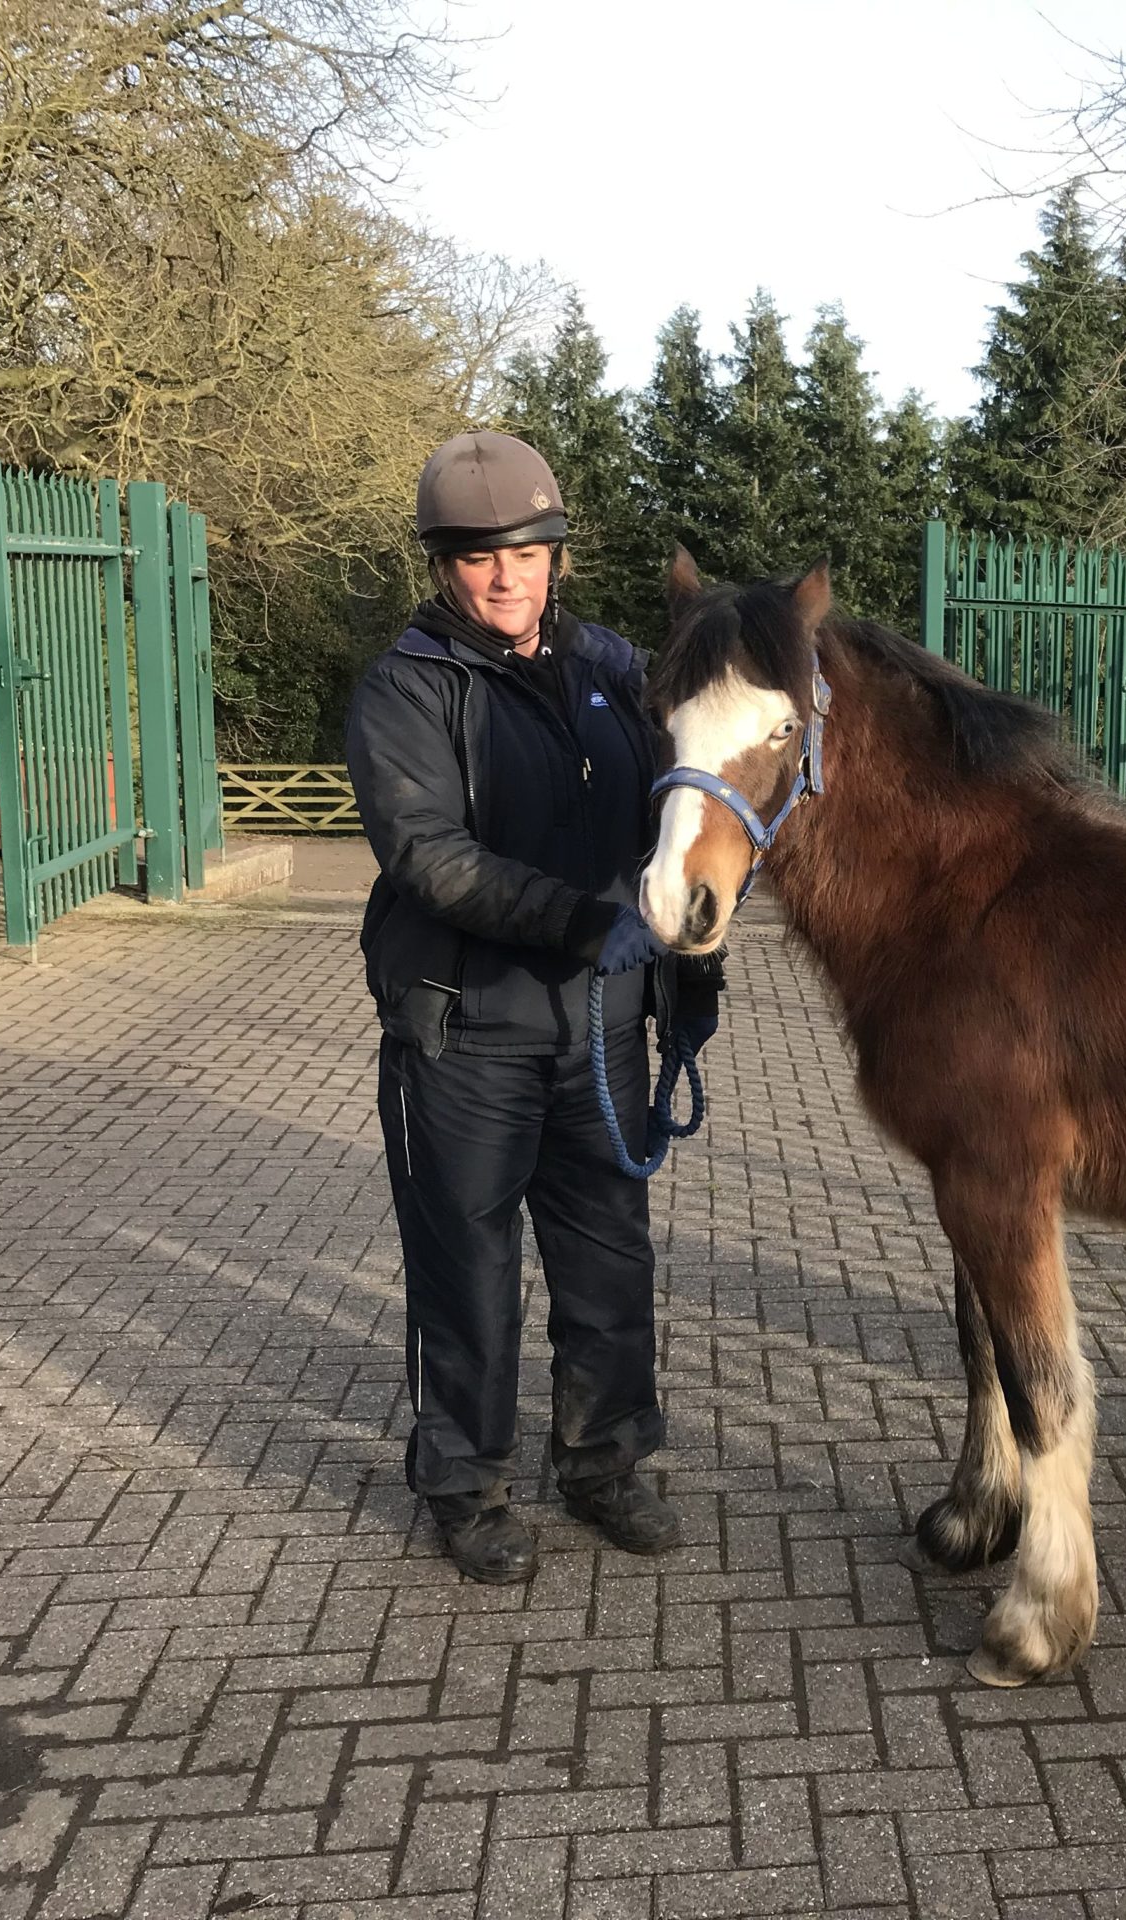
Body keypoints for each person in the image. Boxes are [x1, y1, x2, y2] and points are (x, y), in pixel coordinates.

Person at [345, 429, 718, 1583]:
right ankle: (464, 1480)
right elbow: (430, 858)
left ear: (555, 551)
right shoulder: (407, 689)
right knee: (466, 1264)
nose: (503, 578)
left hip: (600, 1025)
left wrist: (685, 969)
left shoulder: (611, 667)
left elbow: (687, 803)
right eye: (474, 559)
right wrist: (572, 920)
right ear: (442, 566)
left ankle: (603, 1460)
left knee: (610, 1258)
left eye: (523, 552)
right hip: (465, 1033)